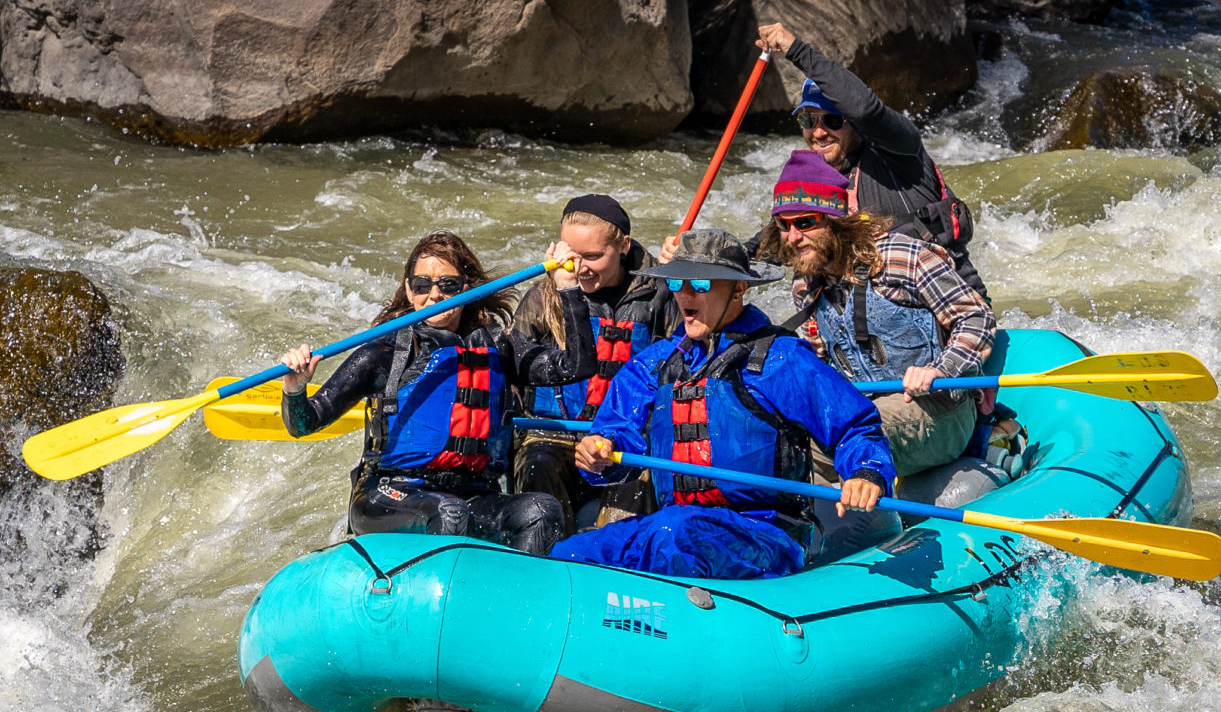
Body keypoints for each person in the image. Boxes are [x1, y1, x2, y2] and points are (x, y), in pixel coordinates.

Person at [550, 230, 896, 581]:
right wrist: (598, 452)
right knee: (567, 554)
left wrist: (866, 473)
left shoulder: (781, 359)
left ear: (739, 290)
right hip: (678, 527)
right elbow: (615, 435)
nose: (685, 294)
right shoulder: (655, 363)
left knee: (675, 532)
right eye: (677, 284)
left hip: (767, 533)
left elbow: (854, 427)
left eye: (699, 284)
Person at [278, 232, 595, 556]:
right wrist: (295, 387)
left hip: (471, 495)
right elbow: (304, 423)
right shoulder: (387, 351)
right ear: (407, 290)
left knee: (543, 511)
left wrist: (567, 287)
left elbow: (576, 366)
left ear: (467, 289)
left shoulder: (499, 349)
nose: (434, 295)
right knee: (448, 514)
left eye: (448, 285)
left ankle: (516, 597)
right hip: (389, 494)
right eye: (421, 285)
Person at [762, 148, 996, 479]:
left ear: (836, 221)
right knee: (779, 432)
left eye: (804, 223)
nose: (794, 237)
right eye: (783, 226)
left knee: (832, 439)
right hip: (862, 408)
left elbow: (977, 318)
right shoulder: (806, 285)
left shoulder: (902, 257)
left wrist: (940, 370)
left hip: (938, 409)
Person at [754, 20, 987, 298]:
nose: (818, 131)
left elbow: (865, 109)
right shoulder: (817, 177)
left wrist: (797, 50)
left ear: (855, 124)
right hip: (871, 319)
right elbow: (784, 234)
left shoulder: (899, 153)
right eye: (808, 119)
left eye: (832, 120)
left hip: (944, 305)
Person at [509, 194, 680, 527]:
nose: (580, 268)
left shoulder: (660, 296)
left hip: (625, 439)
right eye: (572, 256)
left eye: (593, 256)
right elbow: (512, 369)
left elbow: (684, 363)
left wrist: (684, 274)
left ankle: (611, 562)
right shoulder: (543, 297)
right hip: (553, 434)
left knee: (633, 485)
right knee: (537, 463)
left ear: (624, 246)